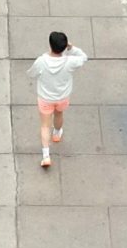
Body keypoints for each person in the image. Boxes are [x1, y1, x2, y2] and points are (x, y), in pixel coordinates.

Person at [31, 30, 88, 169]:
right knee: (59, 114)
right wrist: (71, 48)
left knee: (45, 125)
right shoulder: (70, 62)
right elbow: (84, 57)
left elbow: (32, 73)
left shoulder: (41, 61)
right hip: (62, 97)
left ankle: (46, 156)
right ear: (64, 46)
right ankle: (57, 134)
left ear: (50, 45)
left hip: (45, 98)